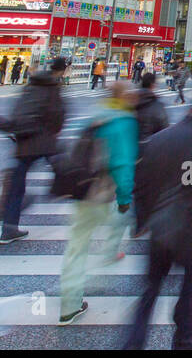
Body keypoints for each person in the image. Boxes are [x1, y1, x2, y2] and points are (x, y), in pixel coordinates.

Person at [124, 95, 192, 349]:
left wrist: (143, 220)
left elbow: (142, 183)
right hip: (189, 228)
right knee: (188, 284)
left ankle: (133, 342)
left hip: (159, 227)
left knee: (150, 291)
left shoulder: (159, 139)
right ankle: (184, 339)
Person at [59, 82, 138, 325]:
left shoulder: (98, 116)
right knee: (121, 218)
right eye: (131, 94)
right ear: (124, 97)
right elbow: (123, 164)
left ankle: (69, 306)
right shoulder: (124, 122)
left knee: (76, 246)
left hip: (81, 189)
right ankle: (110, 251)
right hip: (102, 191)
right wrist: (125, 199)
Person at [0, 56, 69, 244]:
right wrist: (53, 132)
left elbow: (15, 113)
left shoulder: (29, 87)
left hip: (23, 143)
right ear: (62, 70)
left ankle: (8, 229)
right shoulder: (53, 88)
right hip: (45, 142)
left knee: (16, 187)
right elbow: (58, 116)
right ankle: (61, 193)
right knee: (64, 169)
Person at [132, 72, 169, 233]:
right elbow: (164, 130)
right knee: (152, 186)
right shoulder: (156, 105)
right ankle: (151, 218)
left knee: (137, 187)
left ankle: (140, 224)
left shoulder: (131, 102)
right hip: (150, 150)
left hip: (131, 149)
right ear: (153, 85)